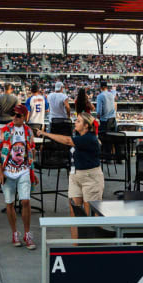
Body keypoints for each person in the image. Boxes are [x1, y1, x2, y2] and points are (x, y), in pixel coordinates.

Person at [39, 89, 103, 238]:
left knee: (90, 212)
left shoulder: (89, 138)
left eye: (79, 121)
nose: (75, 122)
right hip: (76, 175)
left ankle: (92, 244)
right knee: (74, 210)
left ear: (86, 126)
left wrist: (45, 134)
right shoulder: (80, 136)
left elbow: (68, 141)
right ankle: (76, 245)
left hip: (90, 177)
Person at [0, 103, 37, 250]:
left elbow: (32, 151)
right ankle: (14, 233)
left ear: (24, 117)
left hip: (24, 170)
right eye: (13, 114)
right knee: (9, 203)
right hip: (7, 171)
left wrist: (32, 171)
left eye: (18, 115)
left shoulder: (28, 131)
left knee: (25, 201)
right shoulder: (4, 130)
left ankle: (27, 234)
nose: (14, 117)